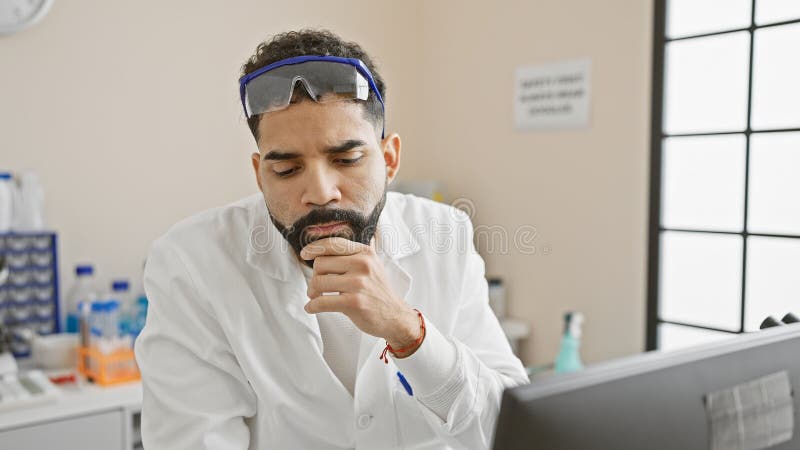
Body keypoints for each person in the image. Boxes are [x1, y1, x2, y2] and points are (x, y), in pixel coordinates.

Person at [134, 29, 529, 450]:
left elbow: (512, 430)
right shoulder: (192, 263)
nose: (320, 192)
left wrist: (409, 334)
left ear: (389, 159)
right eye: (286, 170)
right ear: (259, 174)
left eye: (346, 159)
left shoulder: (446, 234)